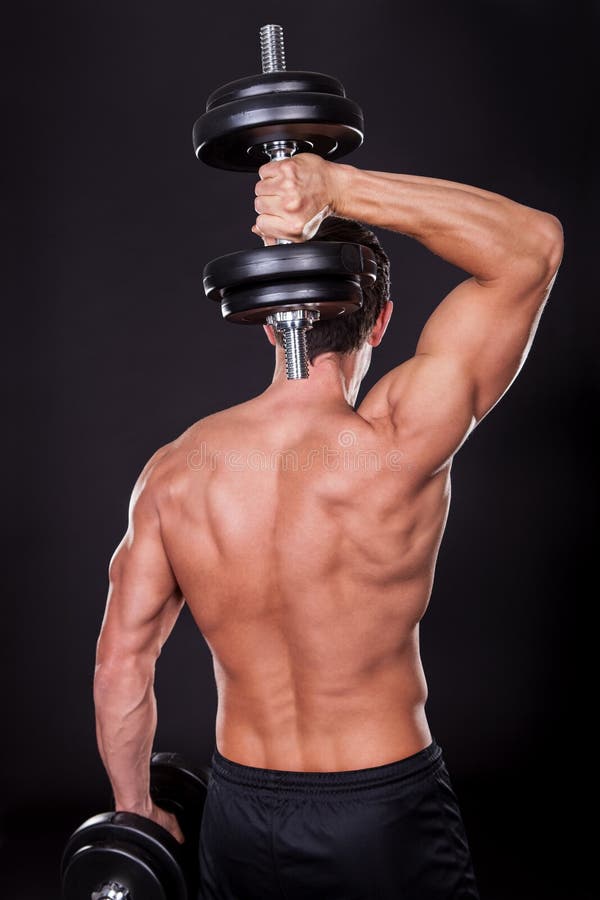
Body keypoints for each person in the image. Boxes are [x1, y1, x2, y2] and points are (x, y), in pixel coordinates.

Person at [93, 154, 563, 899]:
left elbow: (122, 663)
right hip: (381, 813)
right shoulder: (402, 440)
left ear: (268, 320)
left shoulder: (175, 472)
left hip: (241, 818)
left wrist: (136, 810)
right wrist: (338, 188)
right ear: (381, 319)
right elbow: (531, 248)